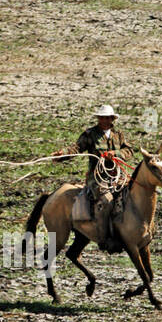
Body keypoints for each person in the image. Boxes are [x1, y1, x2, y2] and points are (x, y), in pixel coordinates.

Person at [57, 104, 131, 247]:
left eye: (106, 118)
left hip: (118, 175)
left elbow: (128, 151)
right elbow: (77, 148)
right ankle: (104, 238)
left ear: (111, 119)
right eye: (101, 118)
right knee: (106, 200)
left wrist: (115, 154)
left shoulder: (118, 134)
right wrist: (62, 154)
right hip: (97, 178)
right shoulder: (90, 134)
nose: (103, 120)